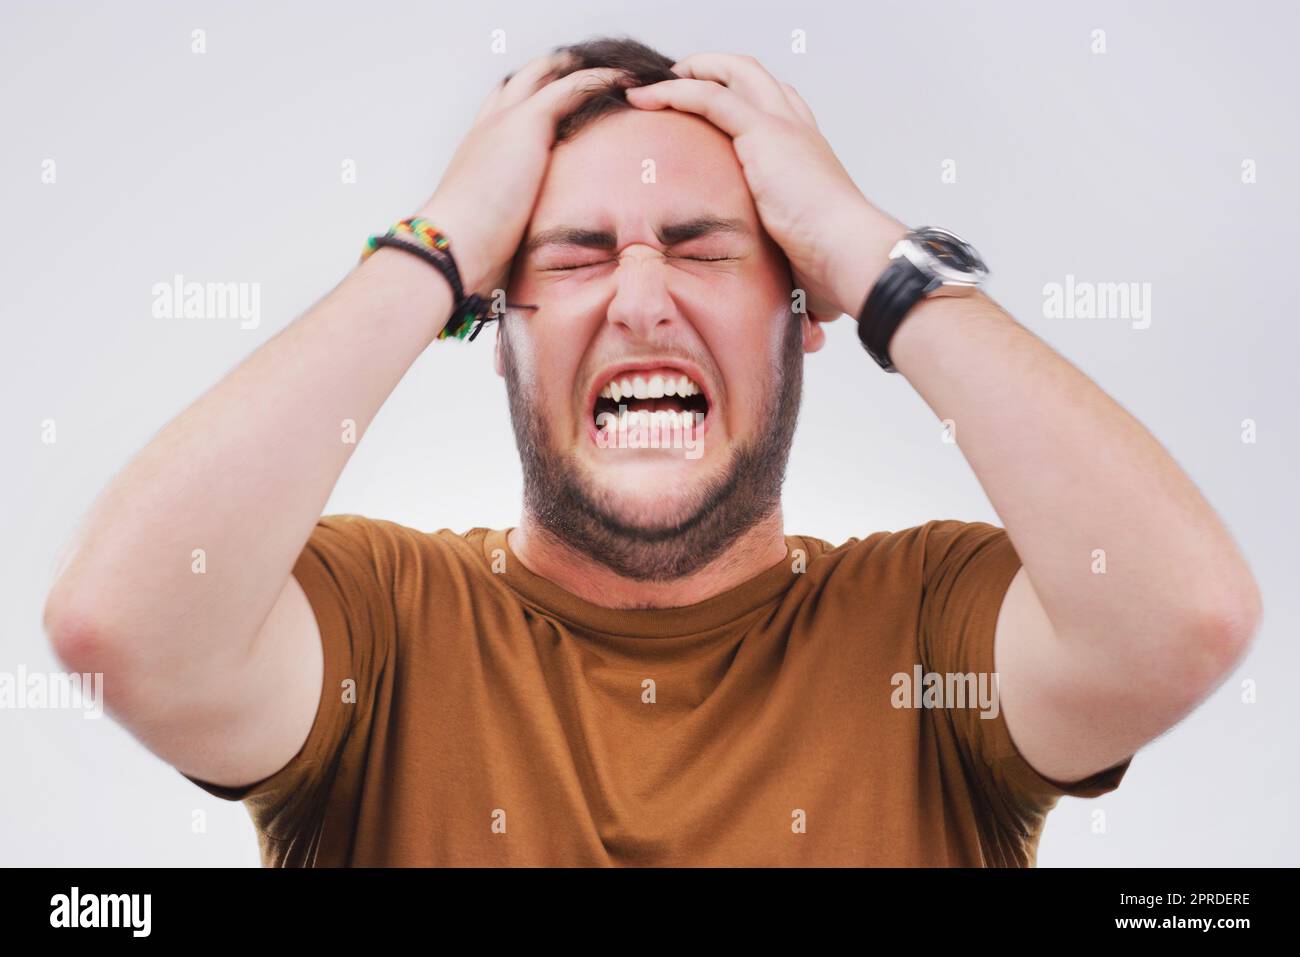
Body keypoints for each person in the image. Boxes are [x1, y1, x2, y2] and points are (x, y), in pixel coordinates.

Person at [42, 37, 1261, 867]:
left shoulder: (930, 625)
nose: (637, 300)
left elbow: (1184, 619)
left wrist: (863, 248)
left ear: (807, 319)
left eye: (703, 249)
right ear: (491, 327)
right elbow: (120, 631)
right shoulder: (378, 625)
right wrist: (433, 246)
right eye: (570, 257)